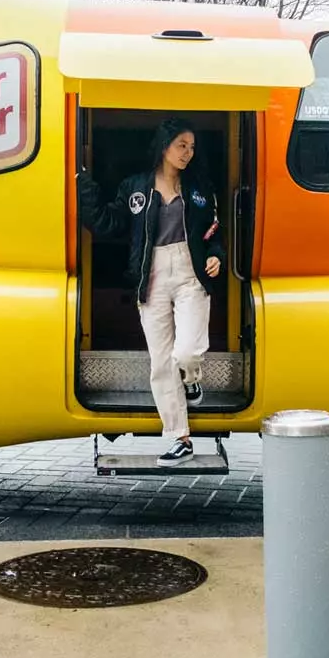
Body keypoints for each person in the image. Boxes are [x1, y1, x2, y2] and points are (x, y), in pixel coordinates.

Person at [77, 118, 226, 467]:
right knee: (160, 363)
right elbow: (107, 223)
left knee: (186, 353)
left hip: (191, 272)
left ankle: (192, 382)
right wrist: (82, 184)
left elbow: (213, 230)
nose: (188, 153)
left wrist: (217, 254)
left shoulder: (199, 186)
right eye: (182, 145)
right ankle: (180, 438)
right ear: (164, 146)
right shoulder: (136, 187)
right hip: (152, 275)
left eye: (192, 147)